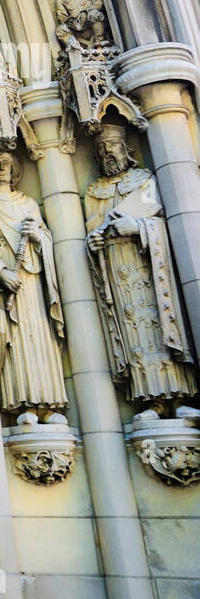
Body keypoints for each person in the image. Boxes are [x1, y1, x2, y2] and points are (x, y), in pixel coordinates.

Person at [85, 123, 200, 420]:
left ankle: (179, 396)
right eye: (101, 149)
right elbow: (92, 227)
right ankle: (152, 401)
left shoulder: (143, 180)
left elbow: (164, 220)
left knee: (161, 325)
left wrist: (137, 227)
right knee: (134, 336)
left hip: (149, 266)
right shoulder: (95, 192)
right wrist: (94, 239)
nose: (107, 153)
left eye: (112, 147)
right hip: (116, 269)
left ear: (127, 150)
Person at [0, 150, 69, 424]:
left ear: (14, 170)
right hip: (4, 281)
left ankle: (49, 404)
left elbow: (45, 237)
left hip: (31, 278)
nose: (1, 169)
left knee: (39, 336)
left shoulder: (28, 204)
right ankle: (21, 403)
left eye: (5, 164)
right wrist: (1, 273)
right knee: (11, 339)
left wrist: (38, 236)